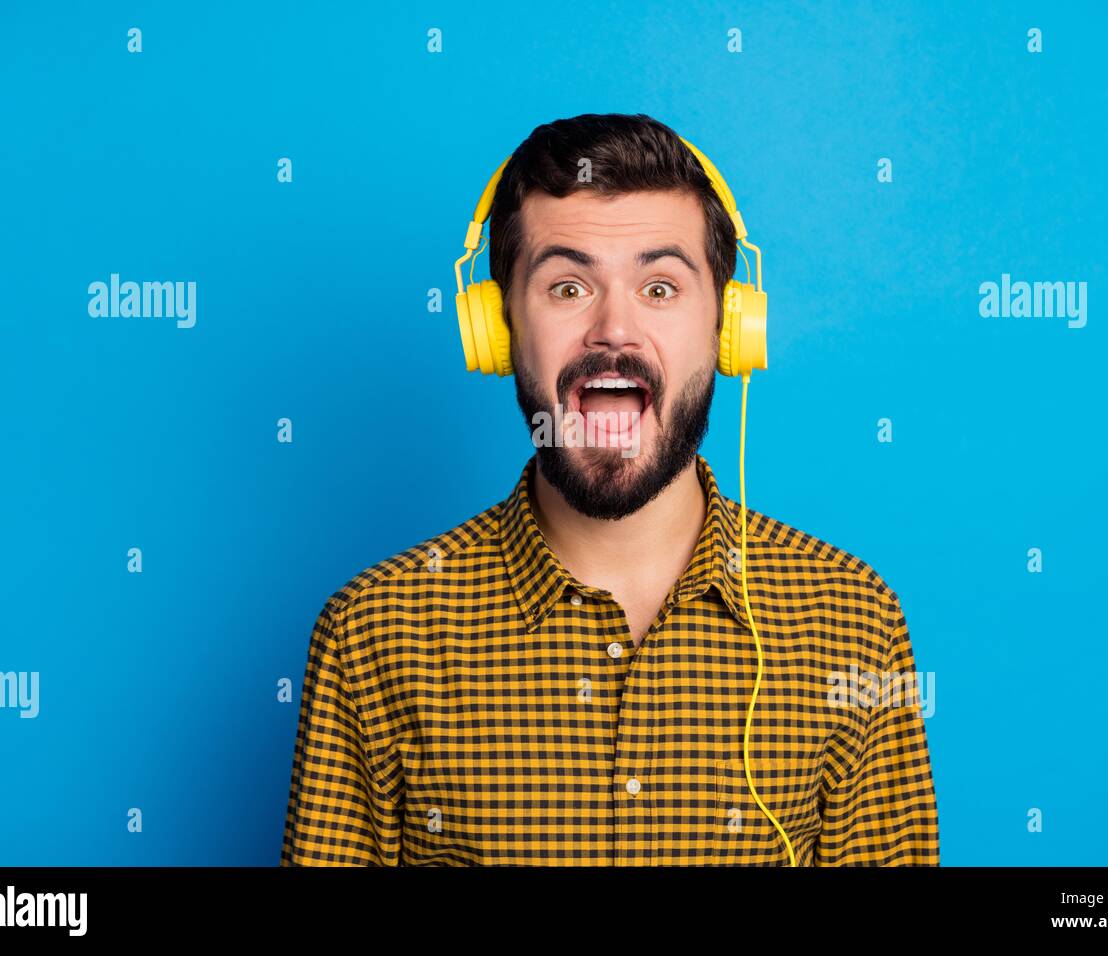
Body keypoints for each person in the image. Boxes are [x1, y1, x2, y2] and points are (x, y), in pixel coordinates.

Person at [280, 113, 939, 866]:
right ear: (497, 333)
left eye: (660, 287)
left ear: (727, 329)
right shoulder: (371, 634)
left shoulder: (854, 621)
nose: (614, 330)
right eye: (567, 287)